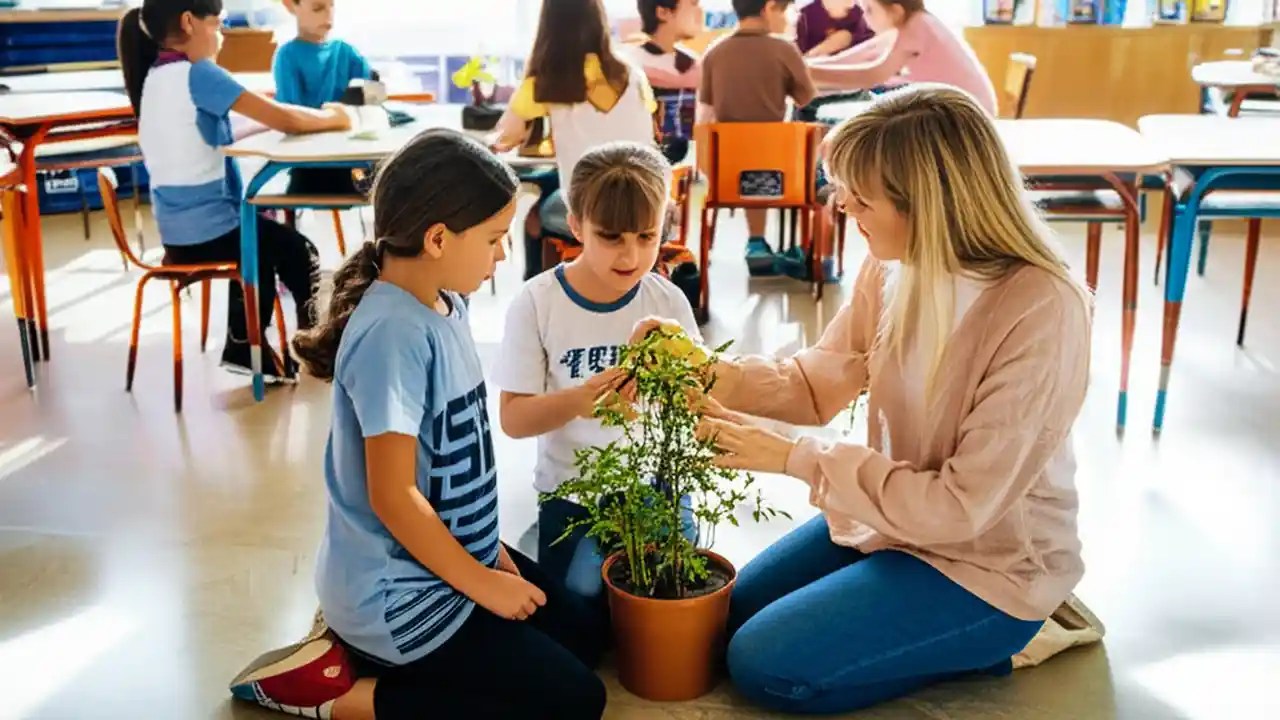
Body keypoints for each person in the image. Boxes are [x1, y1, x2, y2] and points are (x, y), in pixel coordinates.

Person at [633, 85, 1091, 714]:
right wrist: (705, 370)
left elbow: (962, 508)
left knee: (761, 665)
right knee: (722, 614)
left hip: (989, 565)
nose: (841, 203)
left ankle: (994, 646)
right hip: (893, 520)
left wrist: (794, 457)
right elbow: (816, 381)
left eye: (861, 196)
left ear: (928, 205)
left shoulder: (1041, 308)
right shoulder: (893, 264)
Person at [228, 129, 608, 720]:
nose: (502, 255)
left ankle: (360, 650)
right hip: (396, 596)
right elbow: (394, 496)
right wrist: (484, 586)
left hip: (454, 556)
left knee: (587, 637)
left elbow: (456, 462)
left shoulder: (444, 301)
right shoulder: (391, 336)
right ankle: (334, 689)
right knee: (575, 702)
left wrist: (493, 562)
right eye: (493, 239)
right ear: (437, 239)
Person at [492, 142, 701, 616]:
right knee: (581, 607)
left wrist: (674, 384)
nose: (631, 255)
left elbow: (700, 398)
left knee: (669, 595)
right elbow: (514, 420)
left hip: (656, 483)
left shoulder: (666, 302)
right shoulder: (538, 302)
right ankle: (545, 541)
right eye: (611, 237)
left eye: (647, 237)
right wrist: (582, 399)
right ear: (576, 224)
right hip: (574, 489)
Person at [118, 0, 350, 378]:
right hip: (210, 231)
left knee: (260, 243)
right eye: (218, 25)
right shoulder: (199, 73)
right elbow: (288, 117)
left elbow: (214, 131)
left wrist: (266, 124)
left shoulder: (155, 77)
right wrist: (335, 118)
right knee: (298, 251)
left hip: (178, 233)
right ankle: (319, 351)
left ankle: (245, 344)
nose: (222, 37)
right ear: (190, 23)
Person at [492, 0, 659, 281]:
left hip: (591, 210)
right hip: (647, 205)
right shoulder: (633, 74)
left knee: (536, 215)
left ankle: (538, 295)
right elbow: (648, 134)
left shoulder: (549, 80)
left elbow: (505, 138)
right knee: (551, 191)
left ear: (548, 27)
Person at [699, 0, 817, 275]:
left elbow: (706, 109)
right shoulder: (783, 49)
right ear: (768, 8)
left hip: (726, 176)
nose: (789, 18)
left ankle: (756, 241)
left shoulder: (715, 52)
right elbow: (806, 97)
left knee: (748, 156)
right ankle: (797, 248)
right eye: (784, 10)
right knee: (779, 155)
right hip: (781, 176)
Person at [807, 0, 998, 115]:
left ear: (896, 11)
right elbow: (861, 56)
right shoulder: (908, 25)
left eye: (870, 10)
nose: (865, 18)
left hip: (970, 114)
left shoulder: (917, 27)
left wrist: (805, 72)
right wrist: (806, 65)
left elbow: (871, 75)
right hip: (961, 109)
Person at [274, 0, 373, 195]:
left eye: (331, 6)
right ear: (290, 5)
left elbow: (371, 104)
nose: (328, 15)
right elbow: (290, 116)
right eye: (318, 8)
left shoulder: (348, 53)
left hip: (352, 159)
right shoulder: (287, 56)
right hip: (310, 162)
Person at [626, 0, 704, 163]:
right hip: (643, 165)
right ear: (663, 12)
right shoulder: (632, 65)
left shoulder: (694, 64)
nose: (700, 11)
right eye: (693, 3)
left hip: (689, 166)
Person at [795, 0, 874, 58]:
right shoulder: (806, 16)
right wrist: (821, 50)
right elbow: (798, 57)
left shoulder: (862, 15)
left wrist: (848, 38)